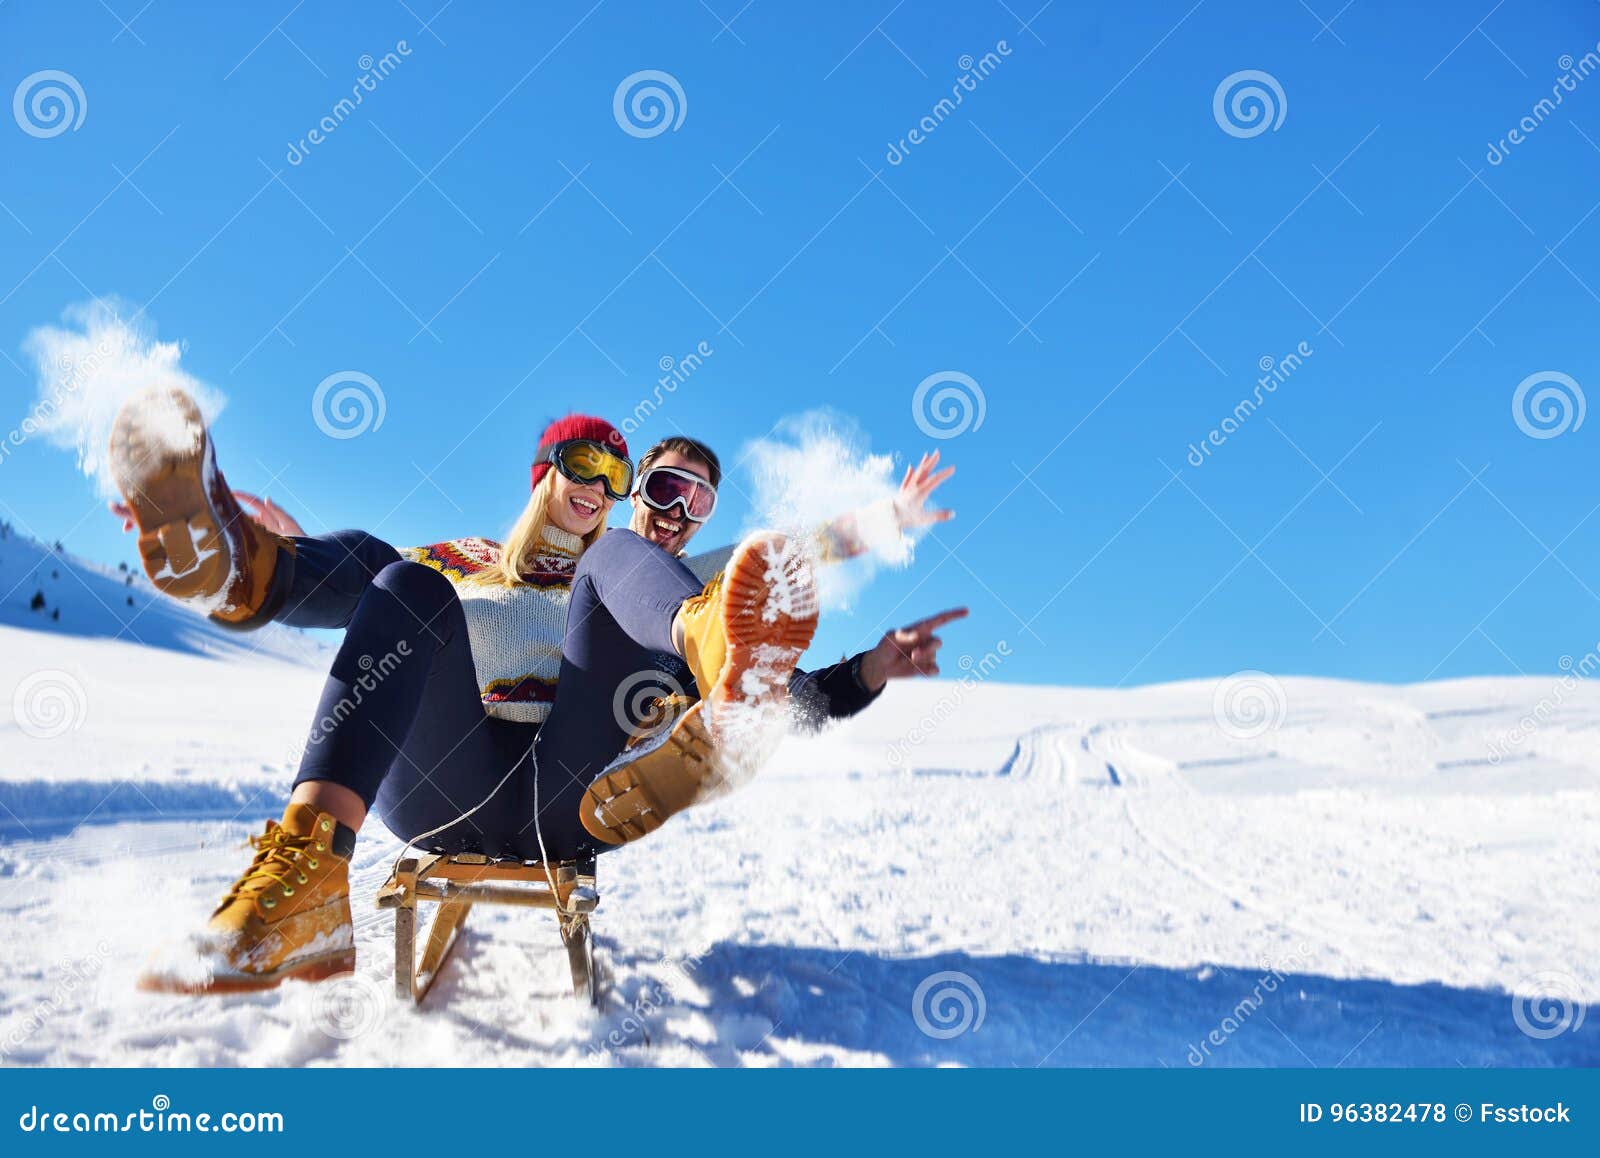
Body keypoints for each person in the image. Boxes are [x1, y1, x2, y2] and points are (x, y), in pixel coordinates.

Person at [107, 388, 960, 993]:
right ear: (542, 471)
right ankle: (243, 573)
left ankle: (699, 673)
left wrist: (874, 608)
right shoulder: (464, 559)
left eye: (626, 481)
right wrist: (291, 551)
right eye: (593, 468)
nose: (610, 491)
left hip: (571, 793)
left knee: (630, 571)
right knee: (398, 575)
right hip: (444, 784)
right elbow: (381, 612)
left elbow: (785, 654)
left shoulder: (645, 577)